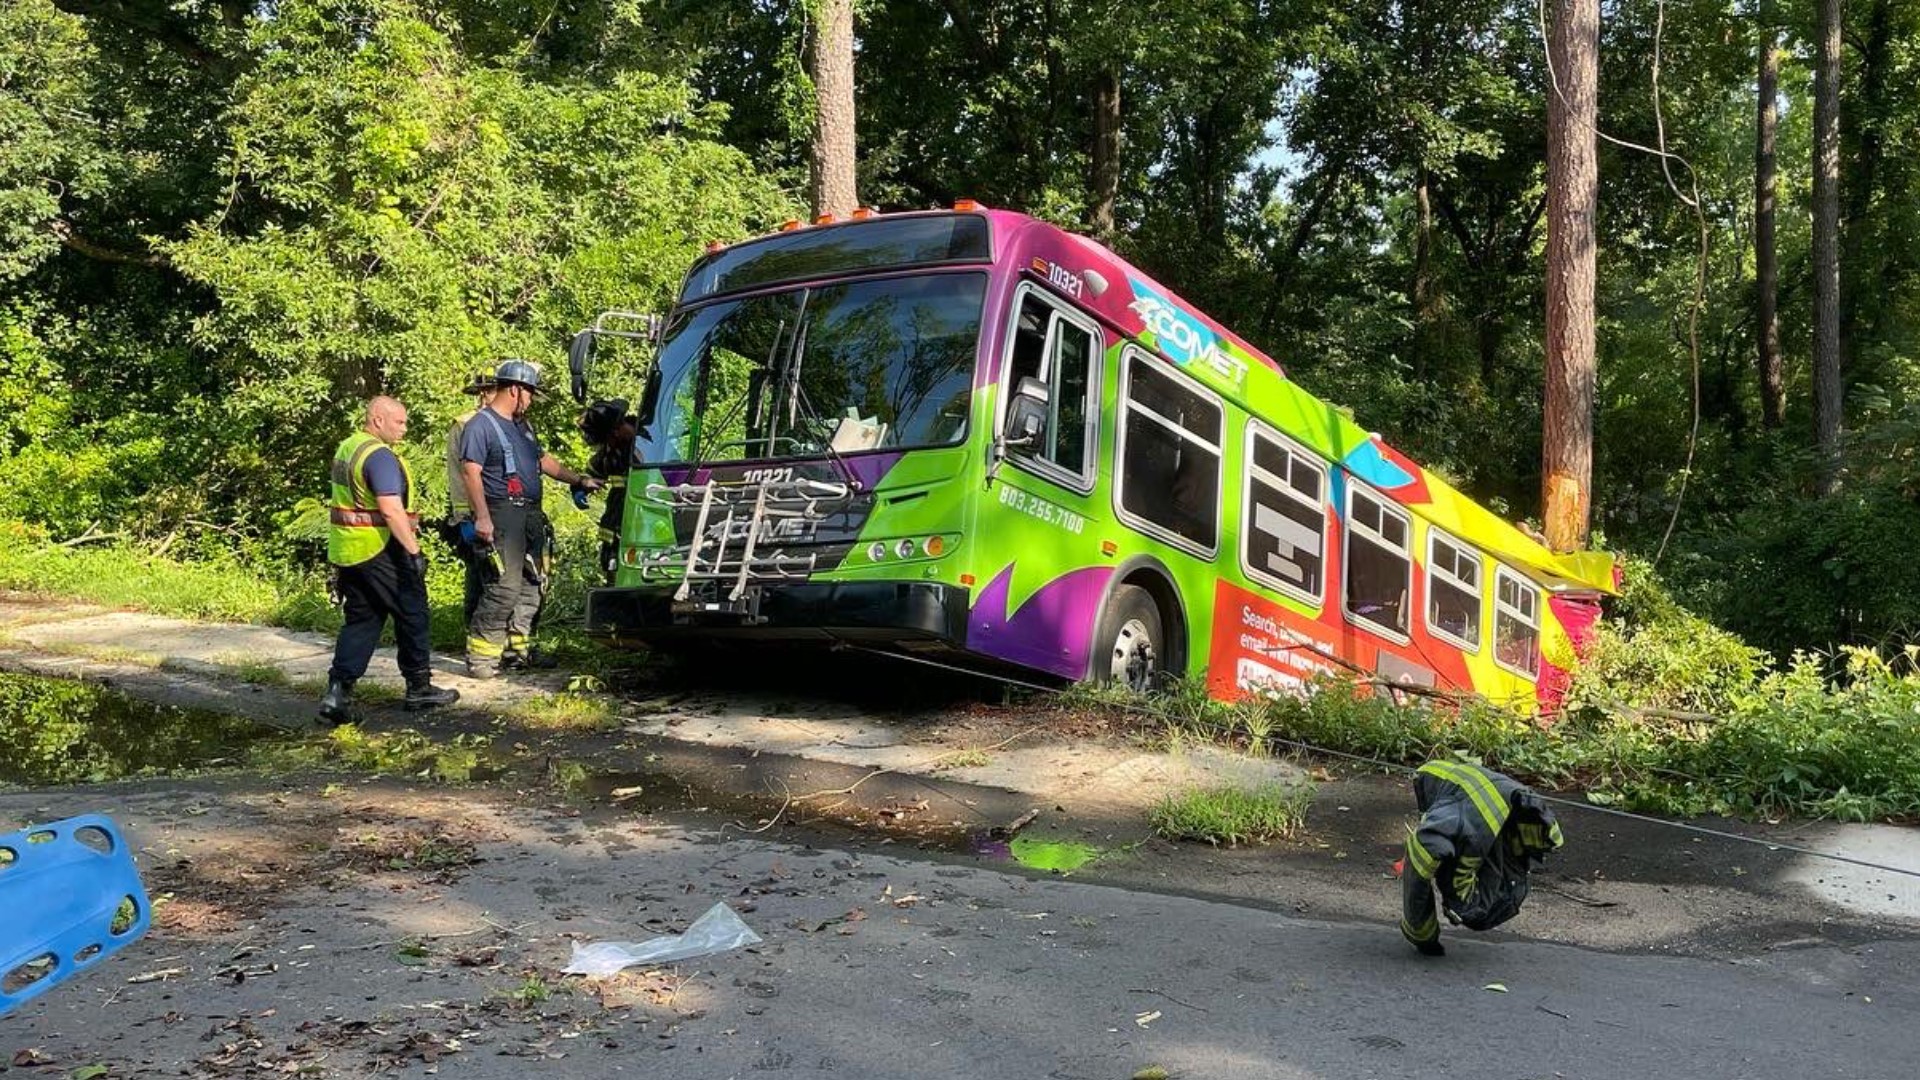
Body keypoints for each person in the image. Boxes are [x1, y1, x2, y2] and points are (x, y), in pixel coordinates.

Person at [319, 396, 461, 723]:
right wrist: (413, 551)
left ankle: (337, 695)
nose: (405, 429)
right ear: (378, 420)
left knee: (362, 620)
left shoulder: (348, 447)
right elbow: (390, 509)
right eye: (400, 422)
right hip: (381, 547)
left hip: (350, 551)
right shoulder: (379, 456)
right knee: (413, 610)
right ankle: (419, 687)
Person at [459, 359, 601, 677]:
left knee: (533, 584)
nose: (533, 401)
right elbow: (471, 472)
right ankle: (482, 657)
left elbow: (542, 461)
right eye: (531, 394)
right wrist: (482, 517)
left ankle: (516, 652)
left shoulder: (522, 426)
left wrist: (578, 479)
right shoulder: (479, 426)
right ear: (515, 389)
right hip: (500, 513)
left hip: (529, 514)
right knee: (503, 586)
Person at [1401, 759, 1563, 956]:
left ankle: (1467, 903)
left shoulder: (1450, 825)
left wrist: (1421, 935)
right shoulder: (1455, 818)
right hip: (1513, 803)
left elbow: (1419, 863)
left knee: (1471, 908)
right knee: (1485, 894)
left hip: (1496, 810)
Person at [444, 372, 498, 623]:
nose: (485, 397)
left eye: (491, 390)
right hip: (479, 515)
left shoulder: (512, 423)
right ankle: (477, 636)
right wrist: (465, 516)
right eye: (484, 392)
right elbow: (460, 474)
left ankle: (512, 644)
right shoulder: (466, 425)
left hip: (506, 513)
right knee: (483, 578)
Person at [577, 398, 637, 584]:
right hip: (616, 519)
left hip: (644, 515)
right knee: (612, 564)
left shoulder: (652, 445)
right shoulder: (612, 451)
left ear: (616, 431)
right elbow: (593, 472)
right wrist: (580, 487)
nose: (604, 444)